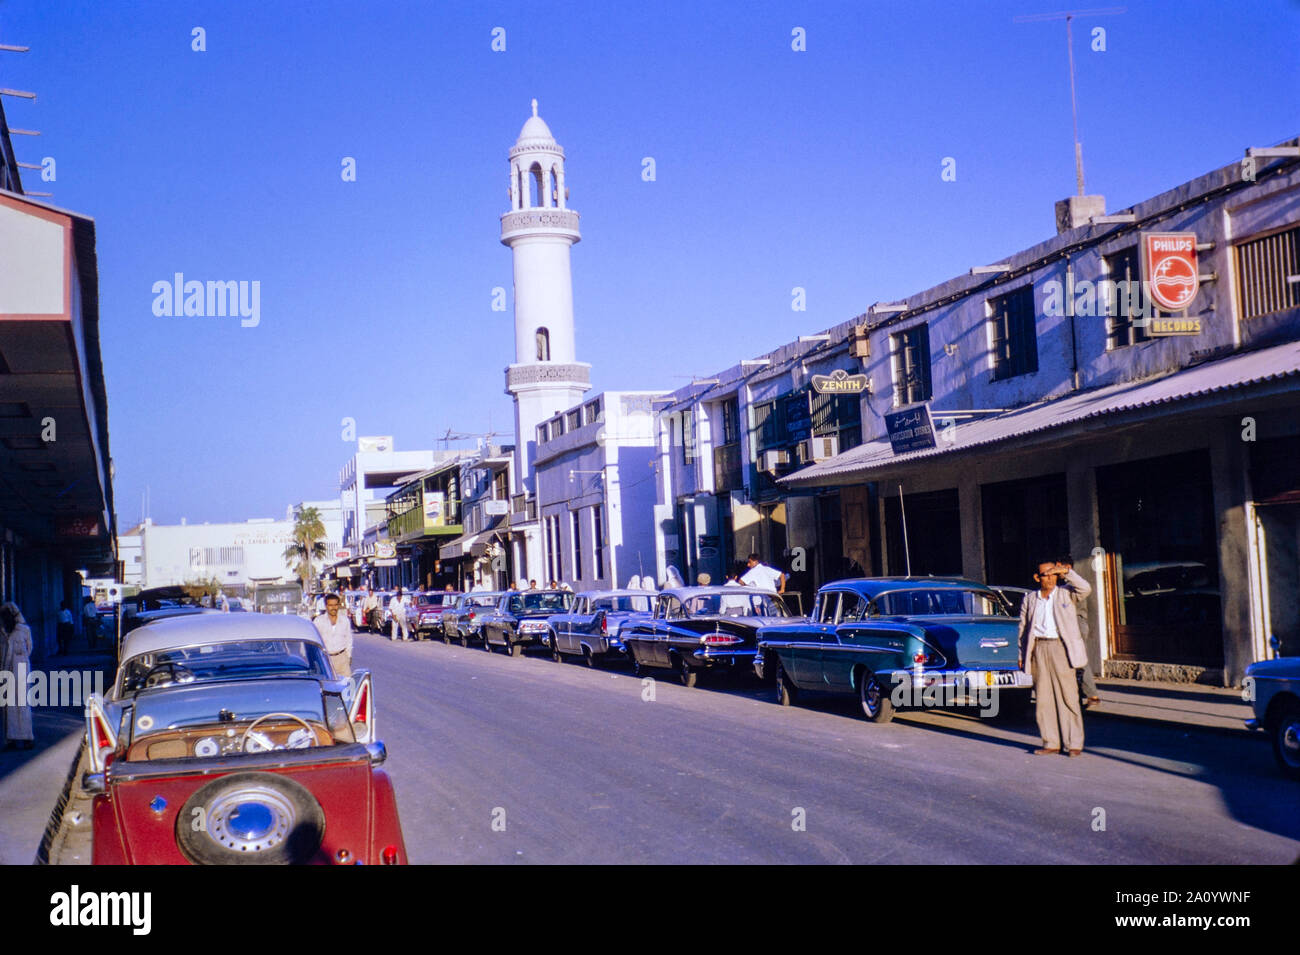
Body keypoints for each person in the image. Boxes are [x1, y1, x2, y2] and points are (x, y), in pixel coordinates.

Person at [1018, 560, 1092, 756]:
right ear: (1037, 577)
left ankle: (1073, 744)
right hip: (1039, 649)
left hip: (1061, 648)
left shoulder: (1066, 593)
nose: (1050, 578)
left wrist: (1066, 572)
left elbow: (1085, 588)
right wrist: (1021, 653)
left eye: (1053, 574)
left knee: (1068, 697)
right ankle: (1050, 742)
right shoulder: (1031, 598)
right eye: (1045, 574)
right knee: (1043, 698)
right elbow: (1023, 628)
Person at [1058, 556, 1100, 708]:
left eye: (1059, 567)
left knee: (1080, 659)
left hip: (1076, 622)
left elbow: (1084, 589)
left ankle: (1092, 695)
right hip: (1072, 623)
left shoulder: (1074, 583)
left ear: (1067, 567)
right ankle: (1080, 694)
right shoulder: (1064, 585)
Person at [1, 603, 34, 749]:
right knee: (9, 707)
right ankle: (12, 738)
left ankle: (27, 737)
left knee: (22, 705)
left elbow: (29, 649)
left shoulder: (24, 630)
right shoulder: (3, 632)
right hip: (6, 671)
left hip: (20, 670)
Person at [313, 593, 353, 678]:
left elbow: (348, 639)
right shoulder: (319, 621)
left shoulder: (344, 620)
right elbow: (314, 640)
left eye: (335, 605)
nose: (333, 608)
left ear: (338, 605)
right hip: (326, 659)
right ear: (326, 606)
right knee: (328, 686)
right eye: (330, 605)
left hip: (342, 659)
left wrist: (348, 656)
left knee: (347, 685)